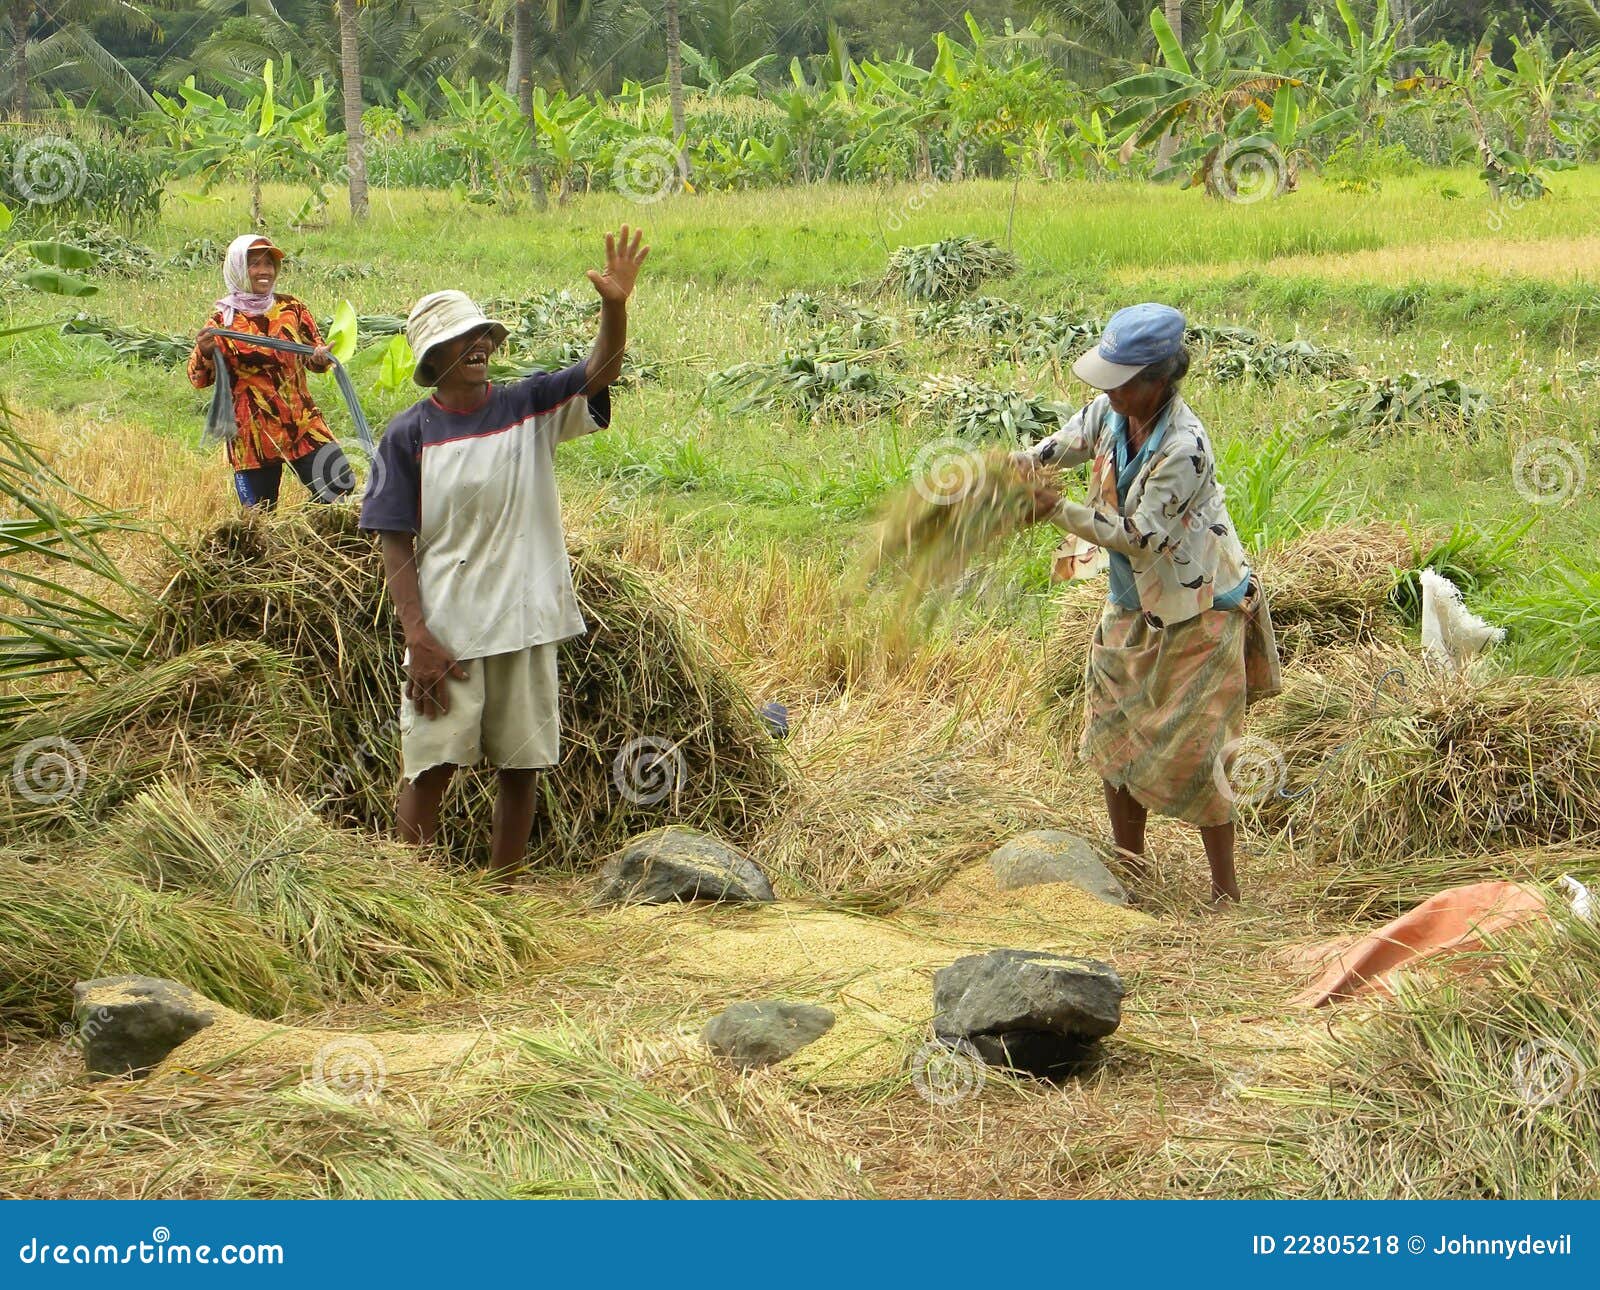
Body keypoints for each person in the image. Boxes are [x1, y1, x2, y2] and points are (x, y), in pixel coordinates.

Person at [359, 225, 649, 888]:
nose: (481, 348)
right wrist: (417, 634)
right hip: (448, 631)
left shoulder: (530, 407)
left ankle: (504, 897)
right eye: (464, 341)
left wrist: (615, 306)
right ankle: (410, 899)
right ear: (434, 357)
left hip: (525, 619)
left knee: (521, 767)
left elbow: (600, 372)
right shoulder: (408, 434)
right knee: (431, 765)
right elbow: (392, 537)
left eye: (484, 337)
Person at [1017, 303, 1280, 904]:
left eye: (1122, 382)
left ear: (1158, 379)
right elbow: (1075, 436)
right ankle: (1130, 868)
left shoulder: (1184, 447)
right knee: (1115, 732)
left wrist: (1051, 508)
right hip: (1133, 602)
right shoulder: (1114, 414)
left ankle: (1225, 892)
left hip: (1199, 607)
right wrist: (1028, 463)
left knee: (1201, 746)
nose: (1108, 393)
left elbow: (1139, 534)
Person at [187, 234, 354, 509]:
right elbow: (199, 378)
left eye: (269, 263)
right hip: (253, 432)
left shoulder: (292, 308)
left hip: (300, 421)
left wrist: (322, 358)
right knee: (259, 515)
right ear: (238, 268)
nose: (264, 271)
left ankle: (309, 535)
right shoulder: (223, 321)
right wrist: (204, 351)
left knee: (339, 485)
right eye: (254, 264)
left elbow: (314, 357)